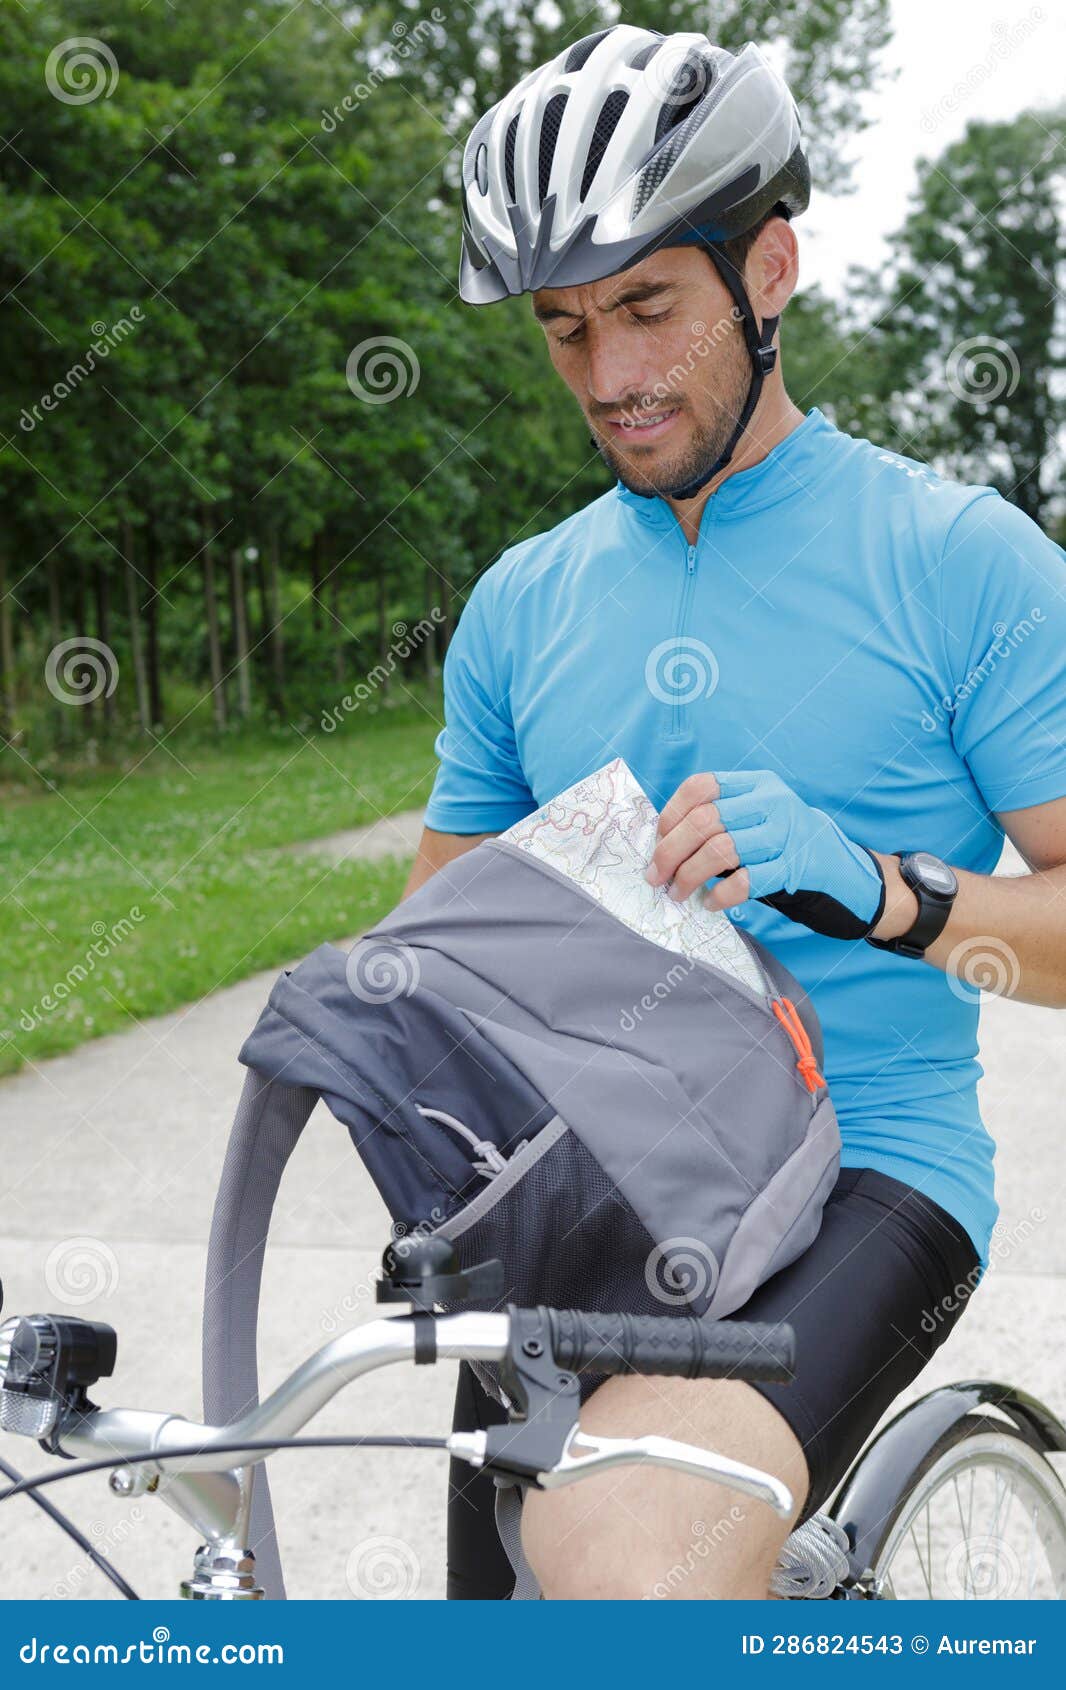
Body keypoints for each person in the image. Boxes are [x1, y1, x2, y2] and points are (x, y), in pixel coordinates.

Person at [401, 26, 1066, 1599]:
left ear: (767, 269)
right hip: (594, 1190)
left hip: (867, 1172)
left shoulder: (962, 562)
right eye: (565, 329)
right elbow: (427, 945)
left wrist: (886, 891)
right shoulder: (521, 602)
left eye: (647, 307)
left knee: (625, 1556)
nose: (610, 378)